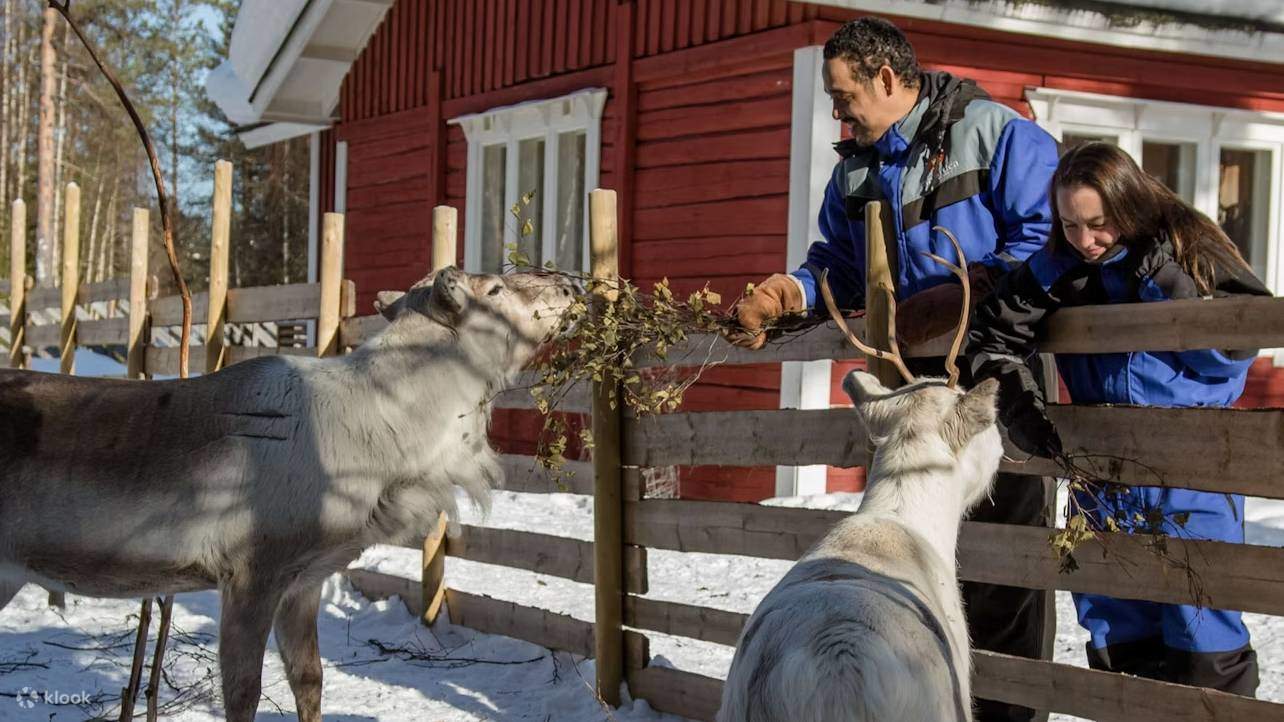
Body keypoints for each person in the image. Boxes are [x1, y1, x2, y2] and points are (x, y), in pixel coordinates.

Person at [727, 16, 1060, 722]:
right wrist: (786, 294)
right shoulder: (856, 170)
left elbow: (1048, 241)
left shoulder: (994, 133)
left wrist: (957, 292)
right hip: (912, 397)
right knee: (906, 562)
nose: (837, 109)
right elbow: (838, 268)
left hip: (994, 389)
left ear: (885, 78)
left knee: (1002, 572)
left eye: (842, 93)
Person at [967, 141, 1267, 696]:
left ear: (1127, 207)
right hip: (1099, 481)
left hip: (1189, 476)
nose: (1085, 241)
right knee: (1120, 649)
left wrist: (1165, 285)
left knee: (1204, 641)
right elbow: (990, 338)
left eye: (1099, 224)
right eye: (1070, 224)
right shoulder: (1059, 266)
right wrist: (1022, 409)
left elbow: (1235, 351)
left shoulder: (1188, 247)